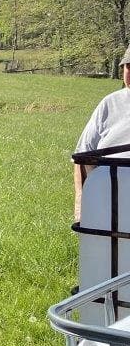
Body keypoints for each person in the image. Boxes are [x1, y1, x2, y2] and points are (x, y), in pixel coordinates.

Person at [74, 44, 130, 220]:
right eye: (129, 66)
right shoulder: (109, 104)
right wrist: (81, 208)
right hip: (108, 211)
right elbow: (82, 159)